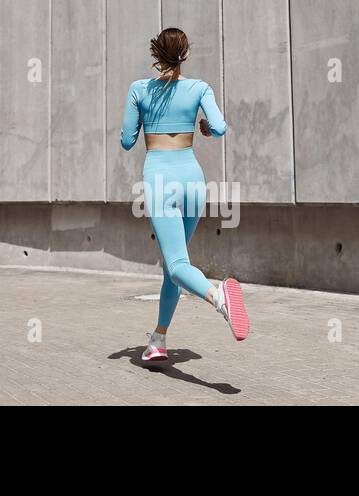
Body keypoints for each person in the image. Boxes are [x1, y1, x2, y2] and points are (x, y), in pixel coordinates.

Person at [120, 27, 249, 362]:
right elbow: (219, 127)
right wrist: (204, 128)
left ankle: (219, 297)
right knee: (172, 267)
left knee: (178, 265)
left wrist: (144, 119)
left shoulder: (139, 89)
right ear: (185, 54)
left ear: (156, 54)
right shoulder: (199, 88)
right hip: (193, 181)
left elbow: (126, 141)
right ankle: (158, 340)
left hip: (160, 179)